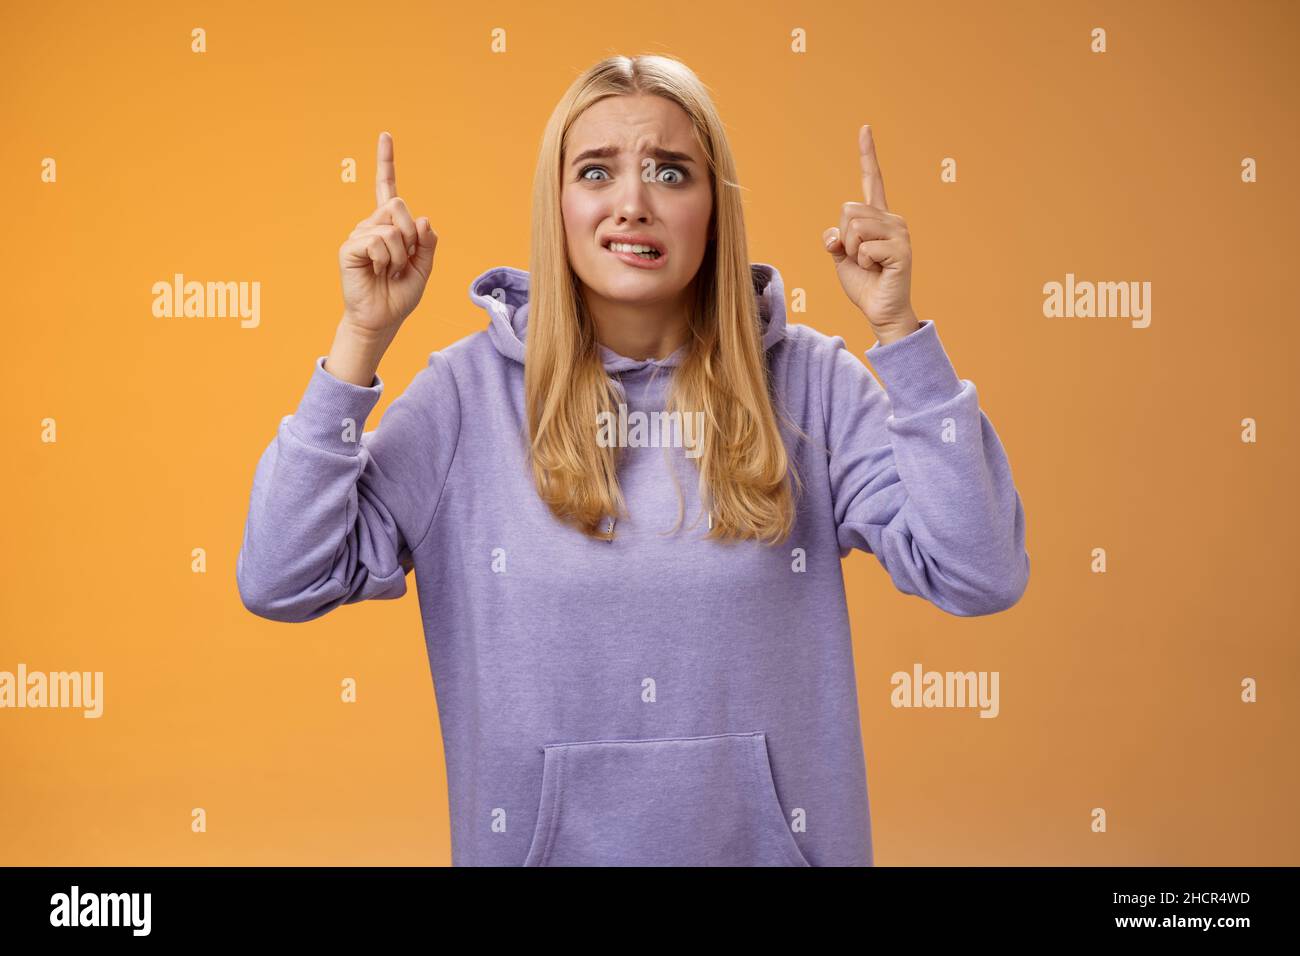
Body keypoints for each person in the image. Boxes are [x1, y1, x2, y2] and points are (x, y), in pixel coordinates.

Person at [236, 53, 1030, 867]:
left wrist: (900, 335)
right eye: (595, 171)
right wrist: (360, 341)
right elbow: (281, 578)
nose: (632, 204)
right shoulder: (463, 399)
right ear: (558, 206)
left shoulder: (813, 385)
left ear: (714, 211)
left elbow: (980, 571)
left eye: (670, 172)